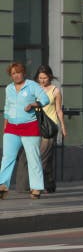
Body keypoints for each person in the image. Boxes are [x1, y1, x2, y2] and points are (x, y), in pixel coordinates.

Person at [0, 62, 50, 200]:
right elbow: (7, 106)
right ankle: (2, 186)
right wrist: (5, 126)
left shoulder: (32, 85)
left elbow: (45, 99)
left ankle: (36, 188)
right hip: (11, 127)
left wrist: (34, 104)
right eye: (13, 73)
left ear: (23, 73)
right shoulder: (9, 88)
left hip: (29, 126)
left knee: (33, 158)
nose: (16, 76)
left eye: (18, 72)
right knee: (7, 157)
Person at [16, 65, 66, 193]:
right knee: (44, 157)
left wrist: (63, 127)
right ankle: (49, 185)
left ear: (50, 76)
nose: (42, 80)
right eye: (40, 78)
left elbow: (59, 110)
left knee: (42, 156)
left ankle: (36, 186)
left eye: (45, 77)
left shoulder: (55, 91)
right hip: (34, 125)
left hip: (49, 127)